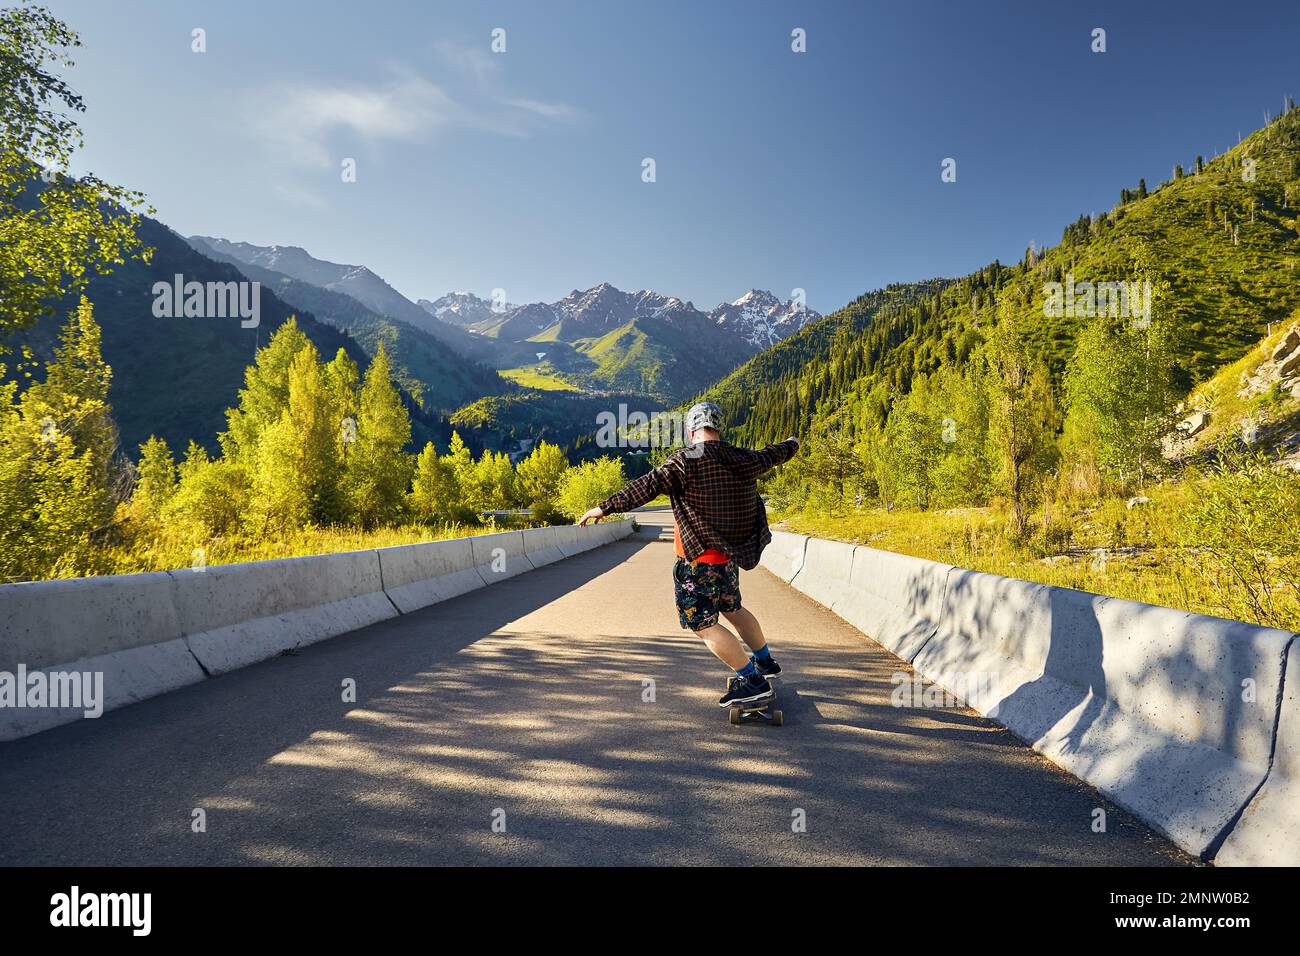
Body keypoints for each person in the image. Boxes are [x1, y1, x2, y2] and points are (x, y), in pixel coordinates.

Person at [578, 401, 800, 707]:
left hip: (697, 563)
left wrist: (605, 506)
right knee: (733, 609)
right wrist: (792, 443)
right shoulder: (742, 457)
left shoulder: (685, 460)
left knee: (703, 624)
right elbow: (774, 454)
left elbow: (646, 486)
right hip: (728, 560)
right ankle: (766, 662)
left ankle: (751, 680)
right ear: (719, 428)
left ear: (690, 430)